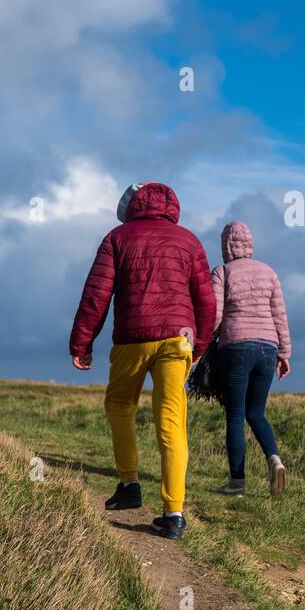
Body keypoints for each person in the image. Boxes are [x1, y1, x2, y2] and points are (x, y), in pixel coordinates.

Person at [69, 182, 215, 540]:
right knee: (171, 423)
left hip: (132, 339)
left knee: (120, 406)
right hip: (178, 341)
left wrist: (82, 343)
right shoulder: (189, 241)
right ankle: (174, 514)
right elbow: (207, 302)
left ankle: (129, 484)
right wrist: (199, 348)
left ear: (132, 206)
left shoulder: (117, 237)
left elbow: (96, 295)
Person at [210, 220, 292, 497]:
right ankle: (274, 458)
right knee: (256, 412)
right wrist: (284, 353)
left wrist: (202, 343)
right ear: (250, 244)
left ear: (226, 246)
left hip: (236, 347)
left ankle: (237, 483)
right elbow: (280, 316)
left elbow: (216, 315)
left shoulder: (222, 272)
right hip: (267, 348)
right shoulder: (269, 272)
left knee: (234, 416)